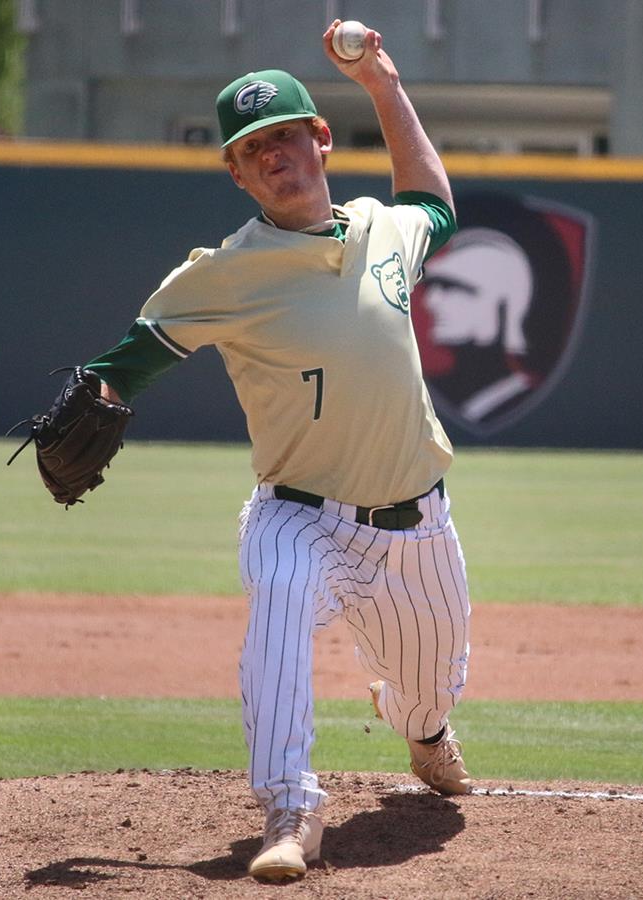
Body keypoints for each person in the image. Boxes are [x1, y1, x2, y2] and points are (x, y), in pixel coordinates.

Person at [82, 22, 471, 883]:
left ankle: (424, 731)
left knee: (429, 691)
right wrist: (95, 398)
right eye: (251, 149)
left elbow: (435, 203)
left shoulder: (382, 228)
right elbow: (128, 361)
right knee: (280, 597)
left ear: (319, 138)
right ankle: (290, 809)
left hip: (417, 525)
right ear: (236, 172)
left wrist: (384, 85)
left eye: (284, 136)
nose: (272, 156)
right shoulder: (223, 274)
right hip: (299, 512)